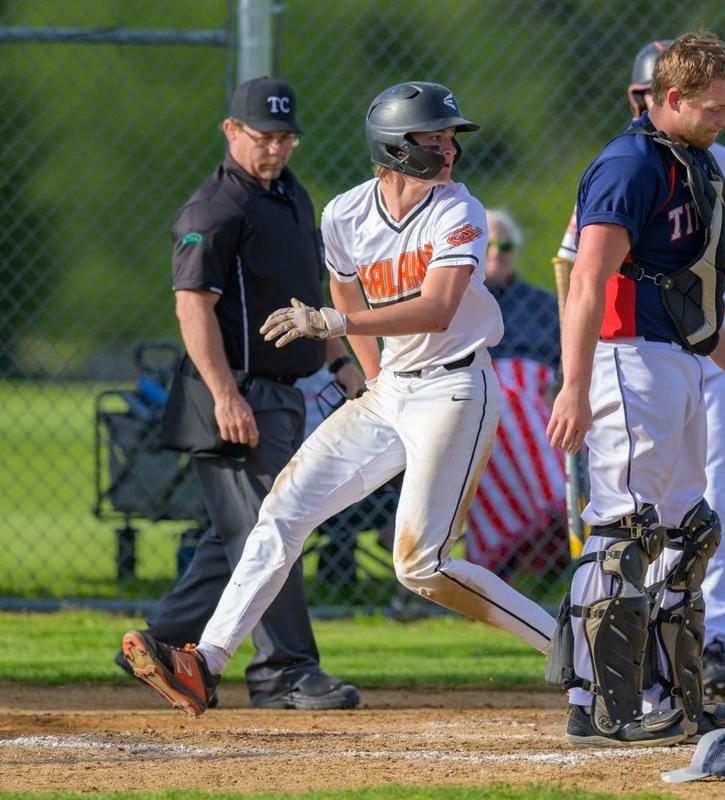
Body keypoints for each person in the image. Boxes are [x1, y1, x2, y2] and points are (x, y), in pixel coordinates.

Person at [121, 81, 555, 717]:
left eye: (448, 137)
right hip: (392, 394)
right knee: (282, 513)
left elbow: (436, 309)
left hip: (455, 387)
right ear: (393, 147)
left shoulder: (457, 210)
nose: (447, 148)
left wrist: (332, 327)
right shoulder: (344, 213)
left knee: (420, 565)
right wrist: (372, 374)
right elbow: (349, 294)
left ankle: (574, 647)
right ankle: (204, 663)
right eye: (432, 137)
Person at [112, 77, 364, 711]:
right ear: (231, 132)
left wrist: (340, 361)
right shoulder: (213, 208)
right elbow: (192, 308)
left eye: (285, 137)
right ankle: (284, 671)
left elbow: (310, 290)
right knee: (273, 528)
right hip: (232, 397)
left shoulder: (292, 197)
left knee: (239, 538)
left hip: (281, 392)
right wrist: (227, 396)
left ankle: (162, 639)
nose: (275, 149)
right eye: (262, 137)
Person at [545, 30, 725, 747]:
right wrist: (574, 386)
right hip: (625, 358)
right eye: (713, 107)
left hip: (676, 359)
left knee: (686, 530)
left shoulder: (693, 167)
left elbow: (691, 307)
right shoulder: (630, 165)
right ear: (672, 99)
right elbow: (585, 281)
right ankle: (600, 705)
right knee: (624, 527)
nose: (724, 120)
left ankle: (670, 694)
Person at [467, 208, 565, 576]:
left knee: (523, 406)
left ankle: (551, 513)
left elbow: (565, 362)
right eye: (487, 244)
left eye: (504, 244)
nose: (496, 252)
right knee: (503, 405)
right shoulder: (459, 302)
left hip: (541, 396)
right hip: (487, 395)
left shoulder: (541, 304)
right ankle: (546, 505)